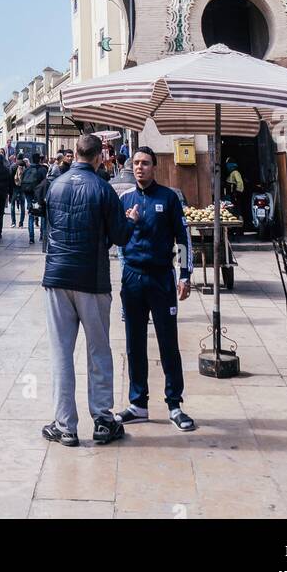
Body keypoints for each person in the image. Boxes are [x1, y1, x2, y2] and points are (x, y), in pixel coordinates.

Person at [41, 133, 139, 447]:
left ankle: (65, 425)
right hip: (92, 280)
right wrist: (131, 220)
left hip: (56, 277)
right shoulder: (103, 189)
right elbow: (120, 237)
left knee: (61, 353)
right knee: (98, 350)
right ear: (99, 157)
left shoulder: (55, 185)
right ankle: (102, 419)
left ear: (76, 155)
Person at [116, 144, 196, 431]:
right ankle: (138, 403)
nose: (140, 167)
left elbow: (184, 239)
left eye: (146, 163)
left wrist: (185, 275)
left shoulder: (169, 198)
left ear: (154, 167)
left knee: (167, 341)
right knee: (134, 341)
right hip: (133, 279)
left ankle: (174, 404)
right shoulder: (124, 199)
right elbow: (117, 238)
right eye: (136, 163)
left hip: (162, 278)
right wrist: (127, 226)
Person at [22, 152, 48, 245]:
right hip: (39, 195)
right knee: (42, 215)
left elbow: (22, 181)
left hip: (29, 194)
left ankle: (31, 238)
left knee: (31, 215)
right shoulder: (43, 170)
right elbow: (46, 183)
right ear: (40, 160)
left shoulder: (27, 169)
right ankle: (42, 236)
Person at [11, 156, 27, 227]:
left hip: (14, 187)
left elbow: (10, 178)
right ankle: (21, 223)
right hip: (22, 188)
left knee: (12, 205)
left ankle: (13, 222)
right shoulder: (25, 166)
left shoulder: (13, 166)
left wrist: (10, 190)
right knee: (22, 205)